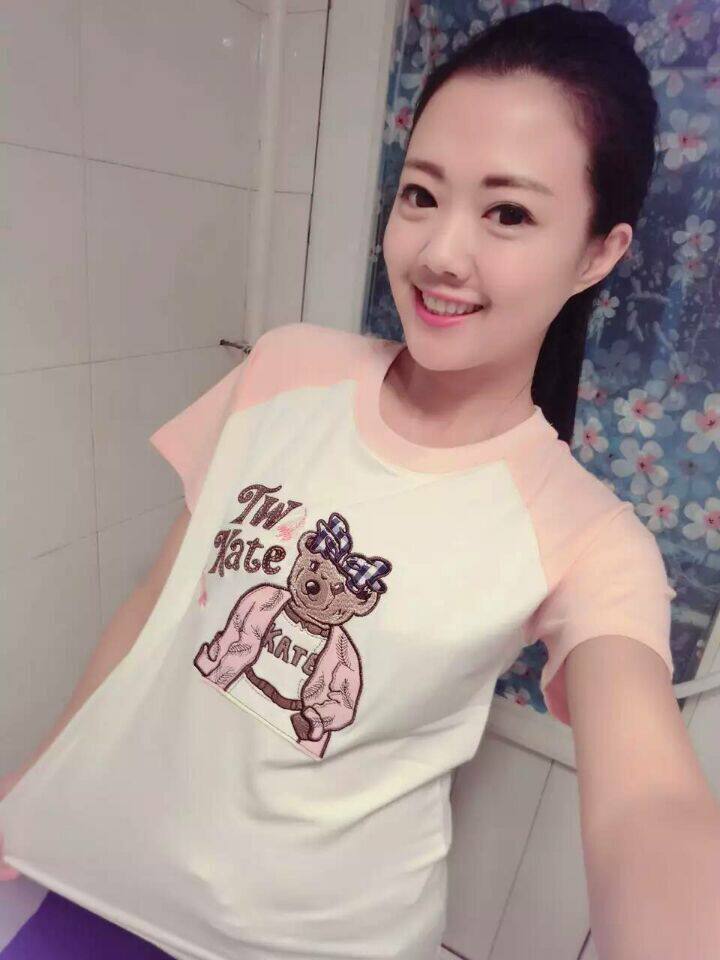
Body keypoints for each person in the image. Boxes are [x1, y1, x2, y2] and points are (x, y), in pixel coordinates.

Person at [0, 6, 677, 960]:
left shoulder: (589, 535)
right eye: (421, 194)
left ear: (599, 252)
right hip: (109, 883)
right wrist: (40, 780)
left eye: (509, 213)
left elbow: (652, 804)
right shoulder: (287, 370)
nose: (440, 253)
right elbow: (159, 601)